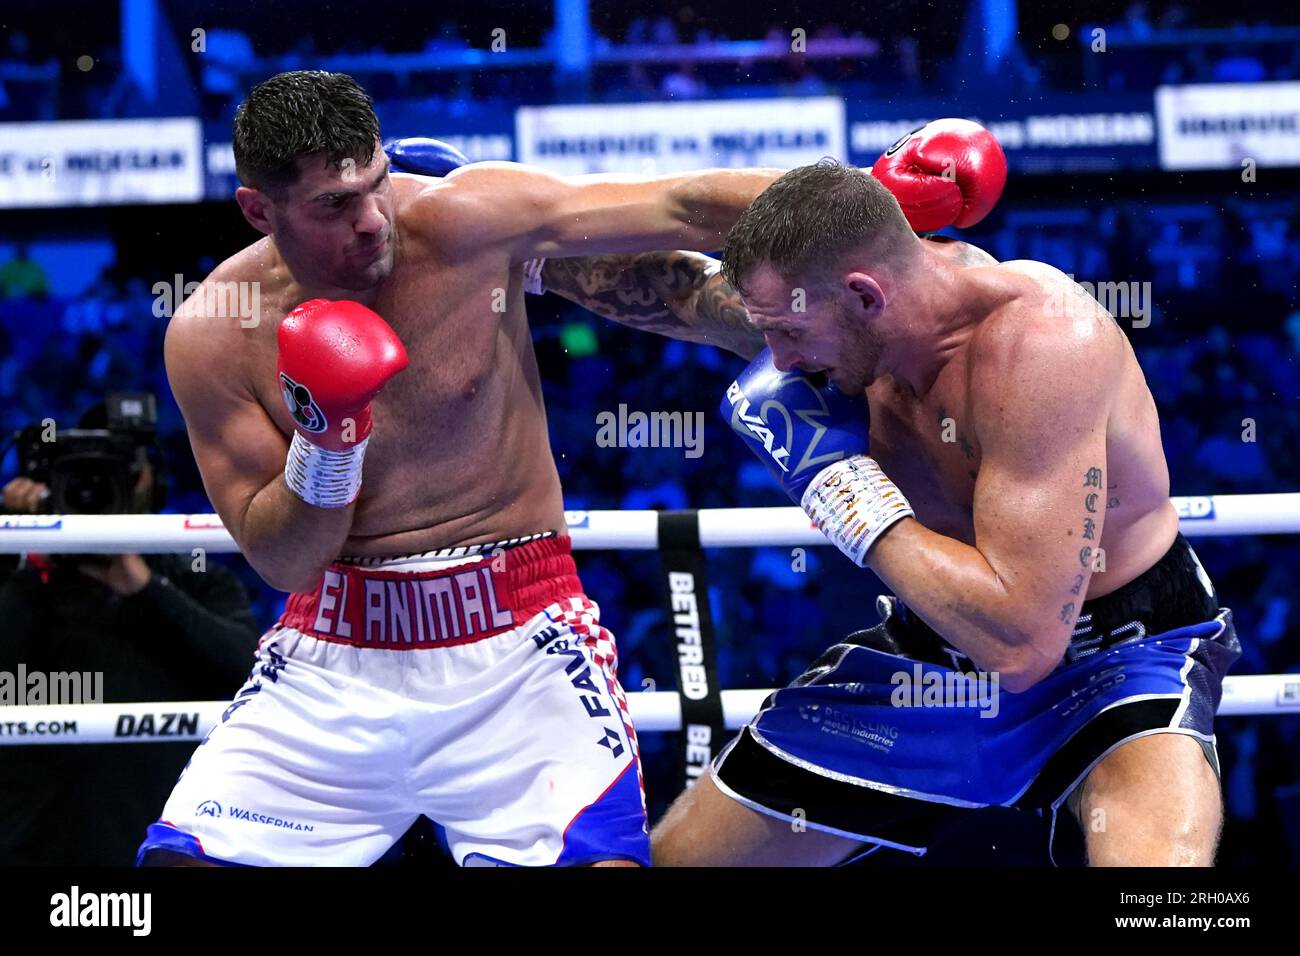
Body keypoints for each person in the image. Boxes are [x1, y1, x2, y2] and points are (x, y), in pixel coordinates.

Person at [138, 70, 785, 868]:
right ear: (258, 211)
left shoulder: (463, 221)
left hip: (521, 643)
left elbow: (681, 207)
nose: (373, 220)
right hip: (335, 659)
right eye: (334, 207)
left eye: (375, 184)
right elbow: (285, 560)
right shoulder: (213, 331)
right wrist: (326, 442)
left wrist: (873, 203)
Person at [639, 155, 1241, 867]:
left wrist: (841, 489)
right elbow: (667, 287)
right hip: (935, 657)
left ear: (866, 295)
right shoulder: (814, 303)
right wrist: (498, 243)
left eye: (789, 336)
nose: (778, 362)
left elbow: (1021, 644)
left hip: (1121, 655)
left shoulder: (1041, 344)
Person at [0, 405, 260, 865]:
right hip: (34, 849)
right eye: (78, 477)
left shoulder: (193, 577)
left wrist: (144, 588)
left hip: (159, 847)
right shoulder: (18, 573)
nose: (91, 489)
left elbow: (247, 678)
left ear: (148, 480)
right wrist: (28, 557)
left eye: (114, 472)